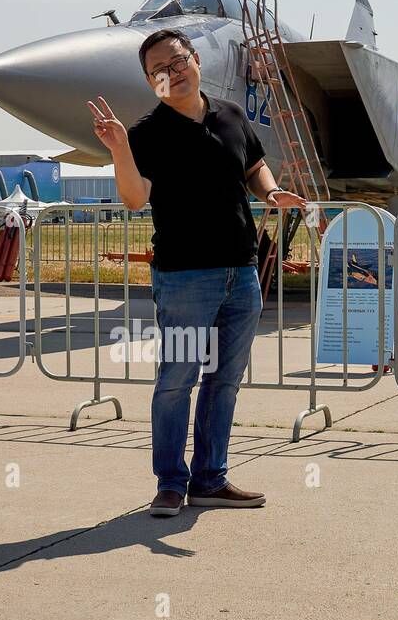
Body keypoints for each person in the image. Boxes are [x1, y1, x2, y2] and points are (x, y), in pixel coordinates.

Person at [86, 28, 306, 517]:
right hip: (186, 278)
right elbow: (134, 198)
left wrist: (270, 193)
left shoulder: (229, 114)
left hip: (241, 273)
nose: (172, 72)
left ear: (196, 59)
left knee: (224, 381)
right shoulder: (146, 133)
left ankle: (210, 479)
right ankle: (169, 483)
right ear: (151, 82)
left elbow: (253, 166)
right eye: (158, 71)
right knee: (176, 381)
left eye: (178, 60)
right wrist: (120, 148)